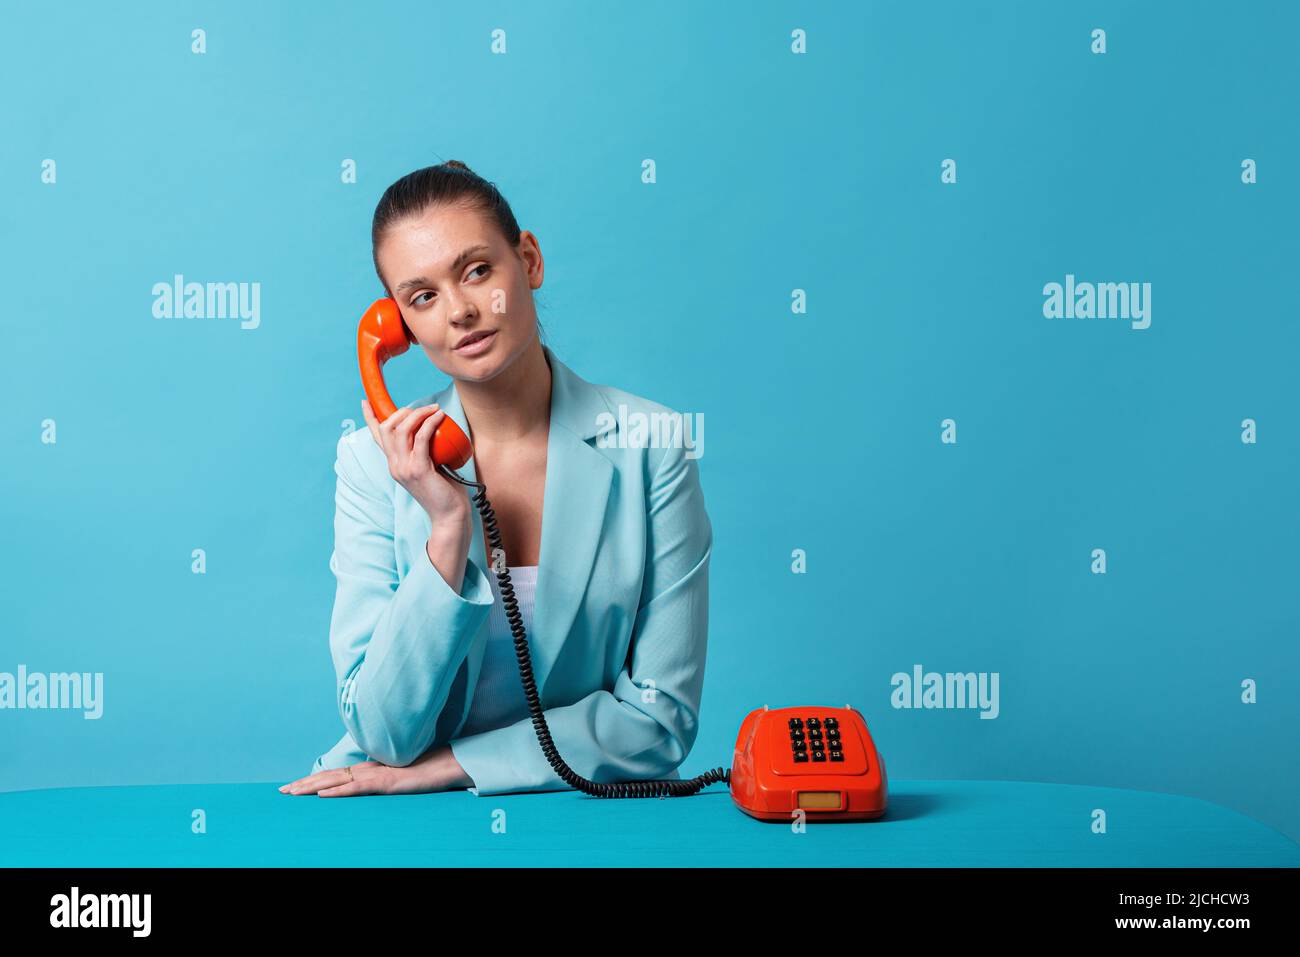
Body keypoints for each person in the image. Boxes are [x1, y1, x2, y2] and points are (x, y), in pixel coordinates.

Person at [282, 160, 713, 797]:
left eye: (477, 270)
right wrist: (448, 527)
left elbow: (660, 721)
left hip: (583, 810)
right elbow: (384, 734)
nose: (458, 311)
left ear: (529, 261)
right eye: (422, 296)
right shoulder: (370, 465)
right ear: (397, 327)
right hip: (392, 813)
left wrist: (451, 768)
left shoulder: (652, 445)